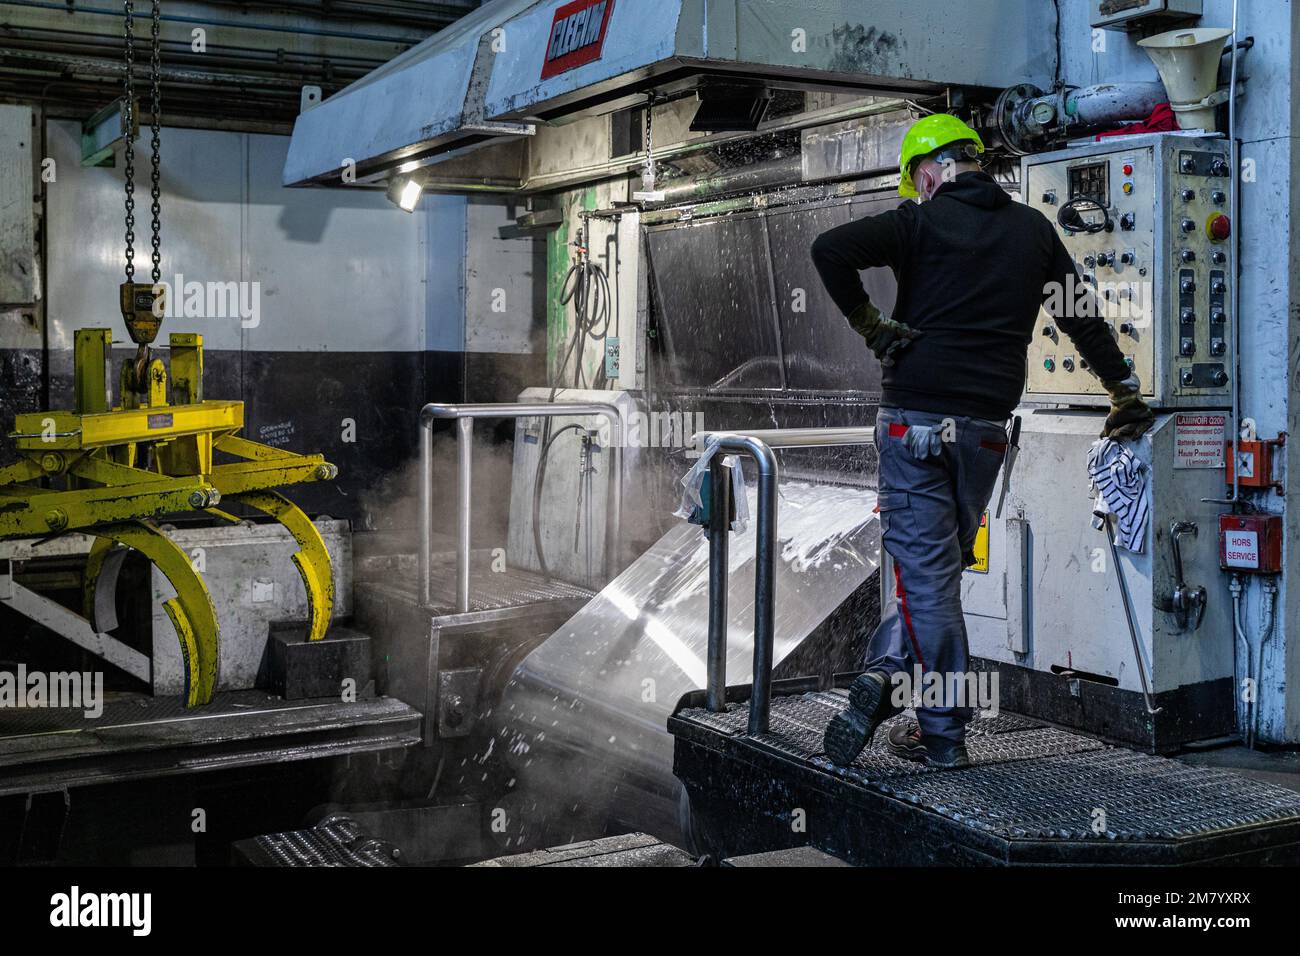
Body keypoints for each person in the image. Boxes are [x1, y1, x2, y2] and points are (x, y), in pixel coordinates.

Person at [810, 113, 1154, 769]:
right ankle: (888, 672)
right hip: (984, 434)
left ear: (931, 169)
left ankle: (939, 732)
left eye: (916, 179)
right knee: (938, 574)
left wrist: (871, 325)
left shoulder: (918, 221)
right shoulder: (1031, 230)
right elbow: (1079, 315)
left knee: (930, 580)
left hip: (914, 422)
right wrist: (1123, 391)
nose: (916, 190)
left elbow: (830, 250)